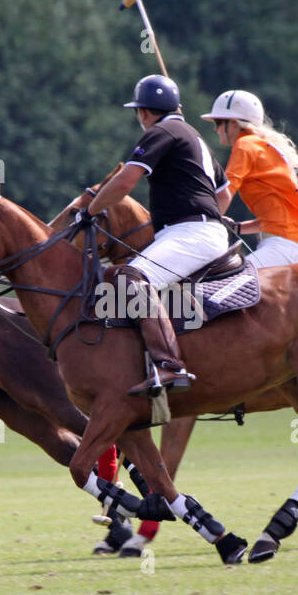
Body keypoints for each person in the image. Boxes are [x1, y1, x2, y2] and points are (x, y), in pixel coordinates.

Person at [81, 74, 230, 397]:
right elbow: (225, 195)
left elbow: (123, 183)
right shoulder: (194, 136)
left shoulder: (161, 131)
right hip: (200, 230)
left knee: (131, 277)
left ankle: (169, 365)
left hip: (190, 233)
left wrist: (90, 211)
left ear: (144, 113)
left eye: (138, 112)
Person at [200, 89, 298, 266]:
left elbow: (225, 193)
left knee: (228, 285)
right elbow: (275, 218)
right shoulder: (262, 146)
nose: (215, 128)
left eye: (218, 122)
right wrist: (238, 228)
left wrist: (202, 224)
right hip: (286, 245)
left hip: (281, 247)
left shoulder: (245, 145)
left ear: (234, 123)